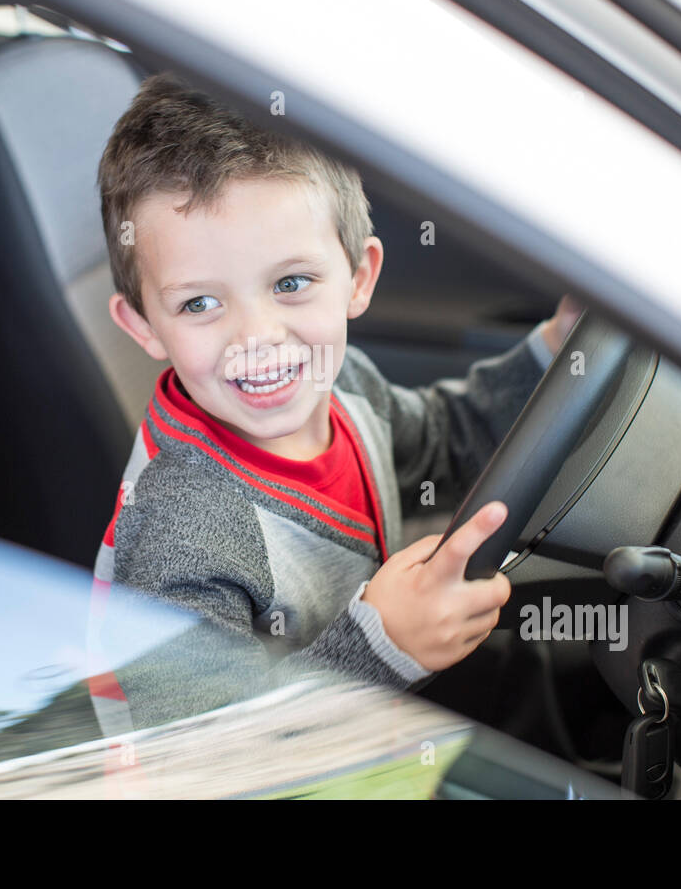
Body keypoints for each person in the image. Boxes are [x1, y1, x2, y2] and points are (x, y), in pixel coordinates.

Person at [86, 72, 581, 733]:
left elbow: (443, 439)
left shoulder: (345, 385)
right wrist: (382, 648)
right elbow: (209, 757)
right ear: (144, 325)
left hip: (367, 724)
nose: (257, 337)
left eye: (291, 283)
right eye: (199, 303)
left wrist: (557, 345)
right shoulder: (183, 529)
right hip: (284, 760)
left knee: (520, 667)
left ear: (359, 277)